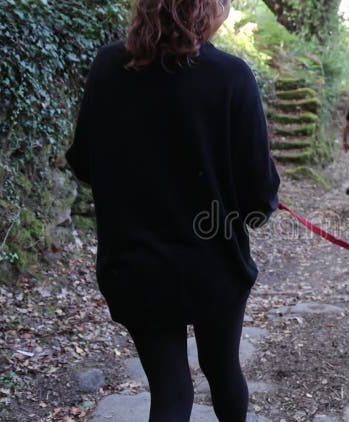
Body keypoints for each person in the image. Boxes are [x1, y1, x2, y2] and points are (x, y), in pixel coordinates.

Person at [65, 0, 280, 421]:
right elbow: (259, 196)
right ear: (207, 9)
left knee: (169, 390)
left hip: (134, 262)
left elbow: (83, 163)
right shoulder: (232, 76)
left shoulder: (110, 65)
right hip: (214, 265)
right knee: (222, 370)